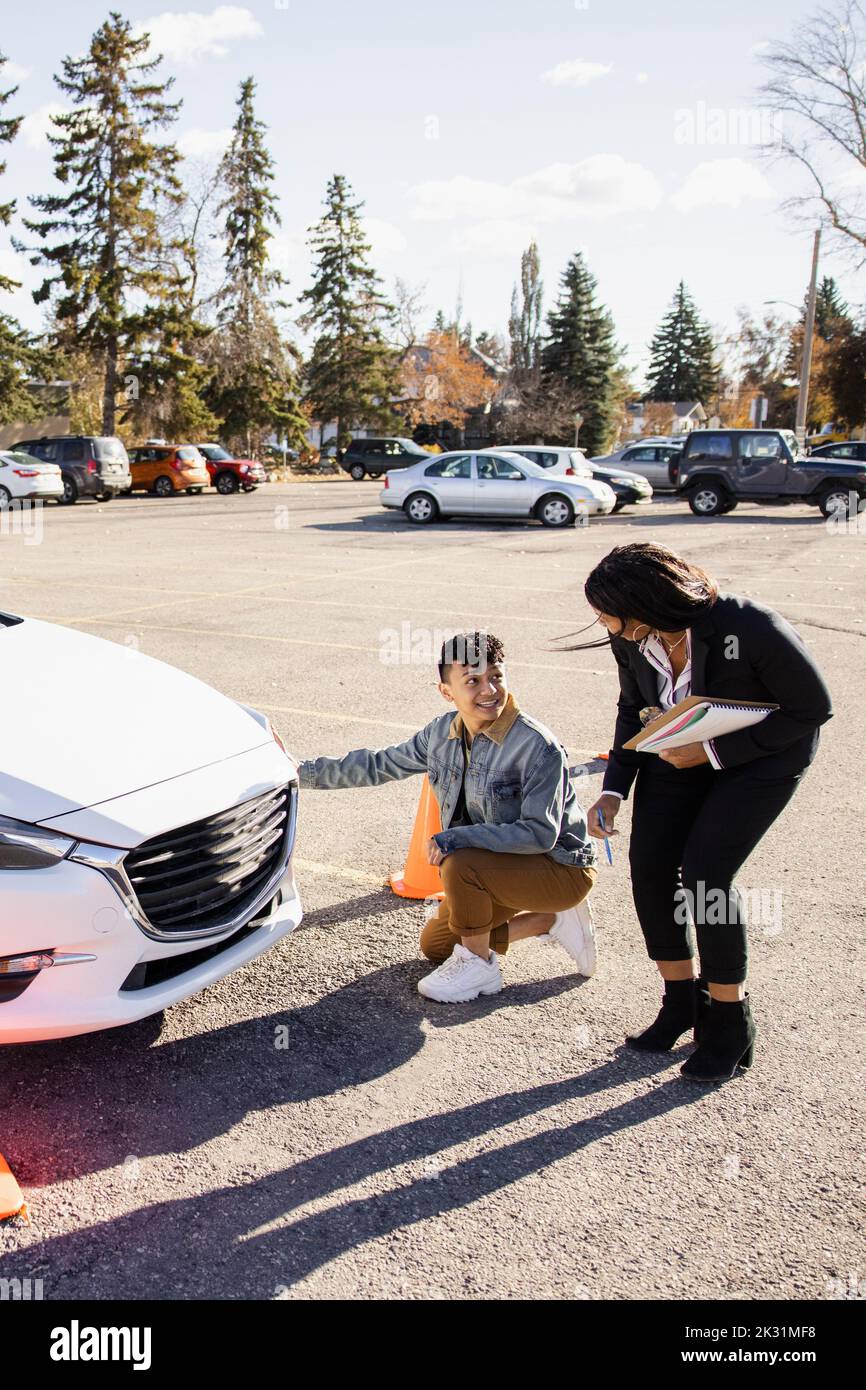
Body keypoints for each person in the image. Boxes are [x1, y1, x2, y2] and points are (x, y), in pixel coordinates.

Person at [570, 543, 832, 1082]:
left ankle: (730, 1021)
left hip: (759, 761)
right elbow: (630, 710)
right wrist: (614, 790)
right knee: (650, 871)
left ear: (648, 602)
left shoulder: (748, 625)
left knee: (707, 876)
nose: (606, 625)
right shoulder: (633, 640)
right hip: (679, 754)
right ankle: (680, 1002)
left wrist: (713, 754)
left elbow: (813, 707)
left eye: (610, 612)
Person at [298, 631, 598, 1003]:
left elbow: (540, 834)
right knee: (436, 946)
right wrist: (299, 773)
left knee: (458, 860)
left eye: (496, 677)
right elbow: (380, 764)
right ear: (446, 691)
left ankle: (479, 966)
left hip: (559, 869)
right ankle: (550, 920)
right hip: (497, 867)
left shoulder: (537, 746)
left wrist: (457, 839)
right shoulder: (441, 734)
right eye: (472, 681)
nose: (489, 690)